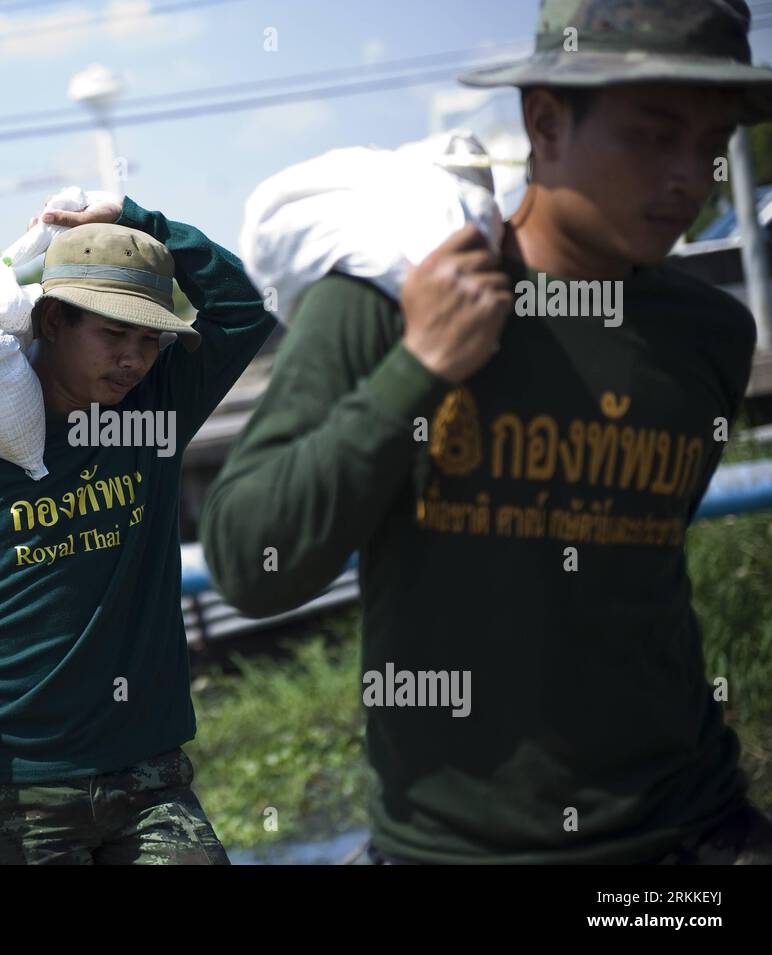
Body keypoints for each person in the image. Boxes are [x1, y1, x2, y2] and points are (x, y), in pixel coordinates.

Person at [199, 0, 772, 864]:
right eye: (655, 136)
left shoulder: (710, 336)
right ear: (545, 121)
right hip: (453, 850)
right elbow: (252, 560)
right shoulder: (391, 302)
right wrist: (418, 367)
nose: (692, 176)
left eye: (711, 141)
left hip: (690, 833)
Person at [0, 194, 277, 865]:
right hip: (8, 785)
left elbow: (243, 307)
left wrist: (135, 218)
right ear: (53, 320)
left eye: (148, 340)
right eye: (113, 334)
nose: (133, 360)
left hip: (147, 772)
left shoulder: (153, 414)